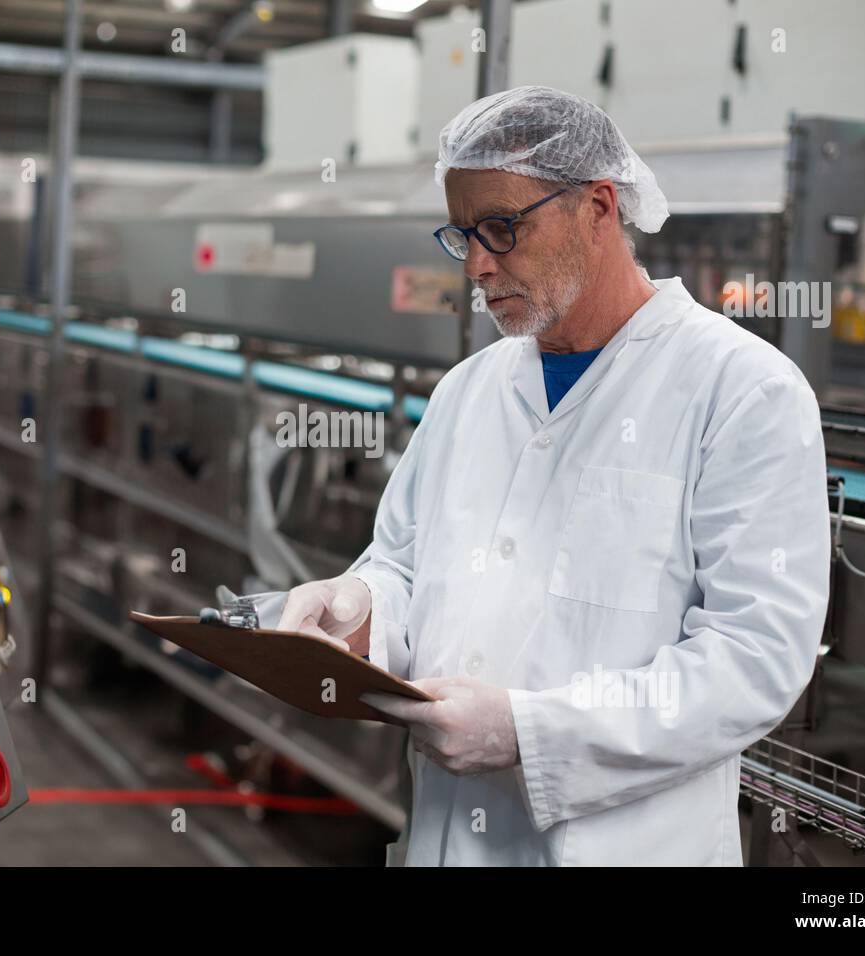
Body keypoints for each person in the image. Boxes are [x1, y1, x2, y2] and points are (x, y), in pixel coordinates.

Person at [274, 86, 830, 866]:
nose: (475, 264)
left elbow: (756, 656)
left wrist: (531, 734)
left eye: (502, 227)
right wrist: (359, 610)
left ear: (599, 207)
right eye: (461, 234)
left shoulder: (742, 391)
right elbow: (404, 565)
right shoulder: (469, 389)